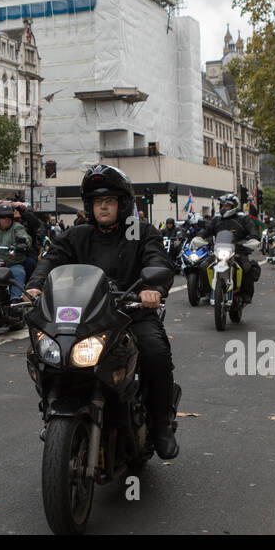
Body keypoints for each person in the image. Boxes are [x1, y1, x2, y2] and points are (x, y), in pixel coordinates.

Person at [26, 164, 178, 459]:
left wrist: (153, 289)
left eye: (109, 200)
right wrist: (34, 286)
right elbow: (51, 261)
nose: (103, 206)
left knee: (155, 353)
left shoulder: (141, 232)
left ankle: (161, 424)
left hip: (130, 314)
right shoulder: (77, 235)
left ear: (122, 204)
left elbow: (158, 260)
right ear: (89, 205)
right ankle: (53, 409)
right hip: (86, 317)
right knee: (44, 351)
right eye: (98, 201)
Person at [199, 193, 260, 305]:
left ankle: (246, 294)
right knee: (204, 266)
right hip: (219, 251)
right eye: (222, 205)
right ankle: (208, 292)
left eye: (226, 206)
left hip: (238, 251)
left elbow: (252, 229)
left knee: (247, 267)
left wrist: (254, 238)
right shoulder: (217, 219)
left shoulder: (243, 218)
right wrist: (199, 237)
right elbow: (206, 230)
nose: (223, 208)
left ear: (234, 206)